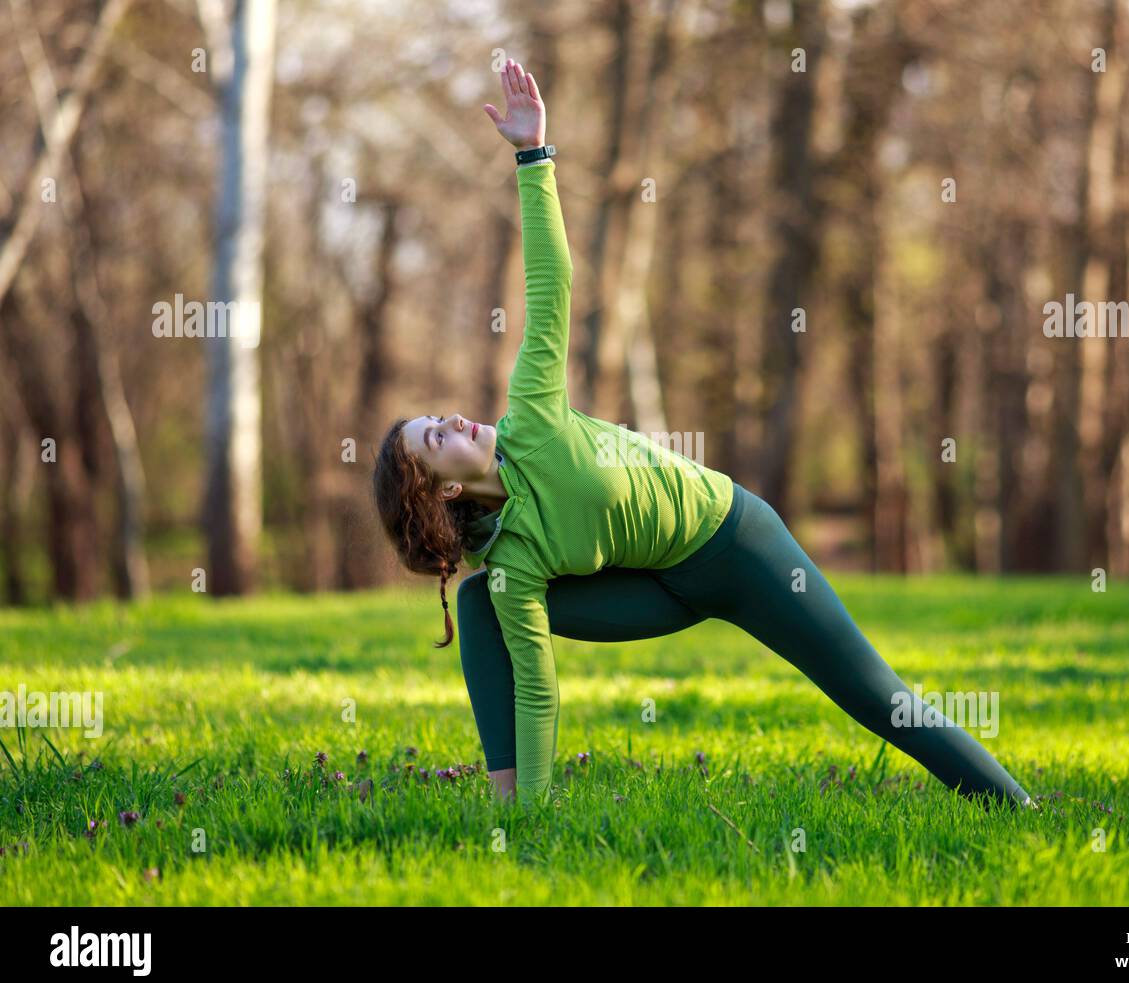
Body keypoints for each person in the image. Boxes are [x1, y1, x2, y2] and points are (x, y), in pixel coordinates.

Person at [372, 57, 1038, 812]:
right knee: (484, 603)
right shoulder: (514, 559)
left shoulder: (531, 414)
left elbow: (551, 283)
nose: (456, 419)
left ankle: (1018, 809)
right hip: (658, 591)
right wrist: (534, 815)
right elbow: (538, 688)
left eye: (439, 416)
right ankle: (509, 805)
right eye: (437, 439)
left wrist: (533, 157)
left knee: (875, 697)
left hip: (738, 546)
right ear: (448, 487)